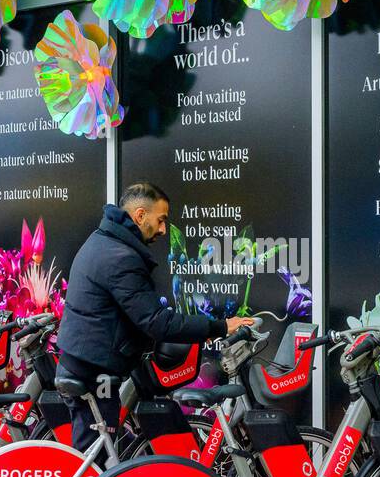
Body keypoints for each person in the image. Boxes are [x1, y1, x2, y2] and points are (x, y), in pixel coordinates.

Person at [58, 182, 254, 451]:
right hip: (95, 374)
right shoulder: (121, 257)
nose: (163, 229)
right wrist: (221, 326)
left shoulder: (101, 240)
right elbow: (156, 322)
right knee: (97, 463)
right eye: (160, 220)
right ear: (140, 215)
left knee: (94, 456)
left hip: (81, 362)